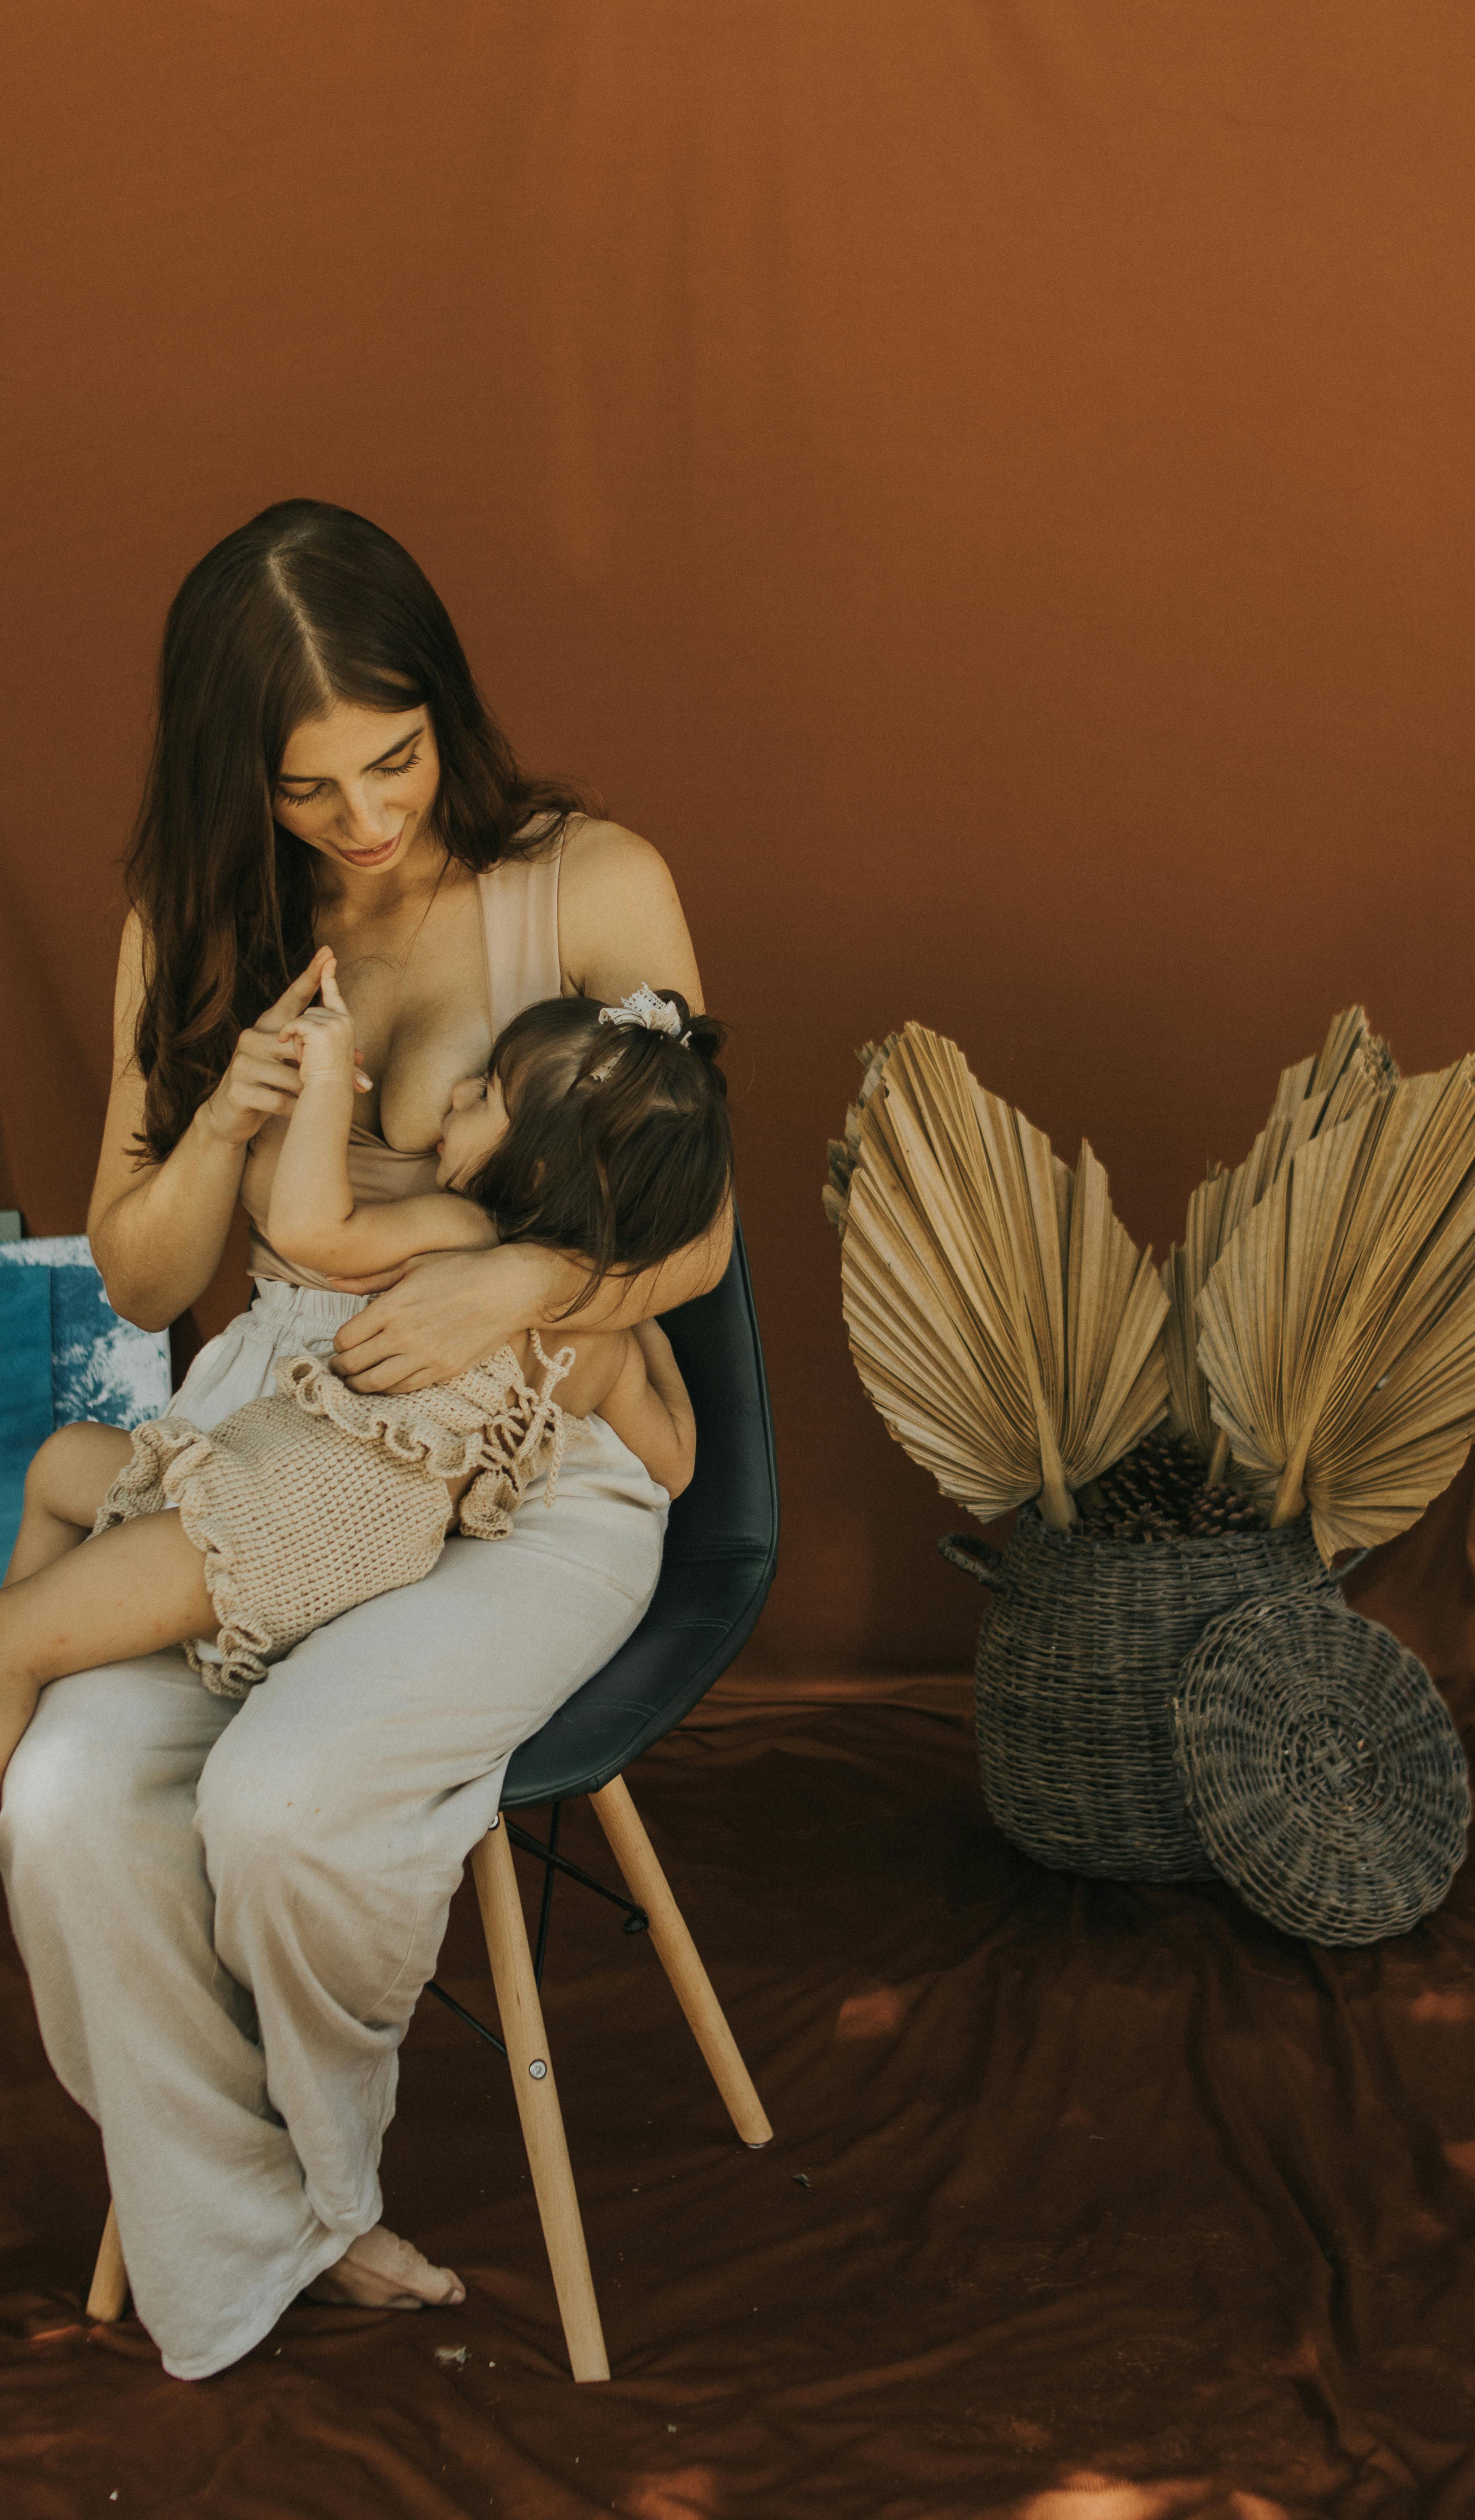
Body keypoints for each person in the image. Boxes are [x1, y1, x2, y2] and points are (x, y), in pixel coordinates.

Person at [0, 500, 731, 2378]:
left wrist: (525, 1290)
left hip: (526, 1462)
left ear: (444, 712)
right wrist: (231, 1127)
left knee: (285, 1809)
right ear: (234, 775)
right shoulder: (205, 917)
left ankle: (319, 2189)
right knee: (67, 1804)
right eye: (310, 788)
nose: (367, 818)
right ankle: (249, 2228)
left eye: (393, 761)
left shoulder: (584, 882)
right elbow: (158, 1281)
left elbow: (699, 1223)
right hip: (282, 1437)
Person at [1, 966, 731, 1752]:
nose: (455, 1095)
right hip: (287, 1502)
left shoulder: (465, 1234)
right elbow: (676, 1464)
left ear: (543, 1169)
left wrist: (327, 1079)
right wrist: (639, 1322)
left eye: (486, 1093)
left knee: (12, 1643)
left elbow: (310, 1230)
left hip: (279, 1527)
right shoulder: (601, 1351)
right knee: (61, 1464)